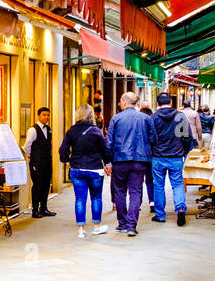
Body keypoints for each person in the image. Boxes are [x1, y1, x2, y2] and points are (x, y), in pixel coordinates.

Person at [58, 104, 113, 238]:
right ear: (91, 115)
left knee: (80, 200)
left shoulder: (71, 131)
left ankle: (81, 230)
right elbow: (105, 151)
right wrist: (108, 164)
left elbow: (62, 150)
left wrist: (67, 161)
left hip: (77, 169)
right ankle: (96, 227)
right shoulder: (96, 131)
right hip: (94, 170)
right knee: (96, 198)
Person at [107, 91, 154, 236]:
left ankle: (122, 223)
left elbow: (109, 142)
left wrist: (108, 162)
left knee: (120, 191)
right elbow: (153, 138)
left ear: (124, 101)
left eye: (120, 101)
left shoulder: (116, 119)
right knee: (135, 191)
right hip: (139, 160)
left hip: (120, 160)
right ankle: (132, 225)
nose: (120, 103)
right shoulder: (145, 118)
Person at [150, 92, 193, 226]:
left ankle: (160, 215)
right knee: (177, 184)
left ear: (157, 104)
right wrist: (183, 151)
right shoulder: (180, 116)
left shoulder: (153, 118)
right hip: (176, 157)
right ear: (171, 102)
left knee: (158, 186)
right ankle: (180, 208)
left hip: (158, 157)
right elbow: (187, 137)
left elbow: (149, 138)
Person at [23, 107, 56, 218]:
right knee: (37, 185)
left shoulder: (49, 129)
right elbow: (27, 144)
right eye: (44, 115)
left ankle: (44, 208)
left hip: (47, 161)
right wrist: (30, 155)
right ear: (39, 116)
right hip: (37, 162)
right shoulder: (33, 130)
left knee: (46, 185)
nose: (46, 117)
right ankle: (35, 210)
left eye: (48, 115)